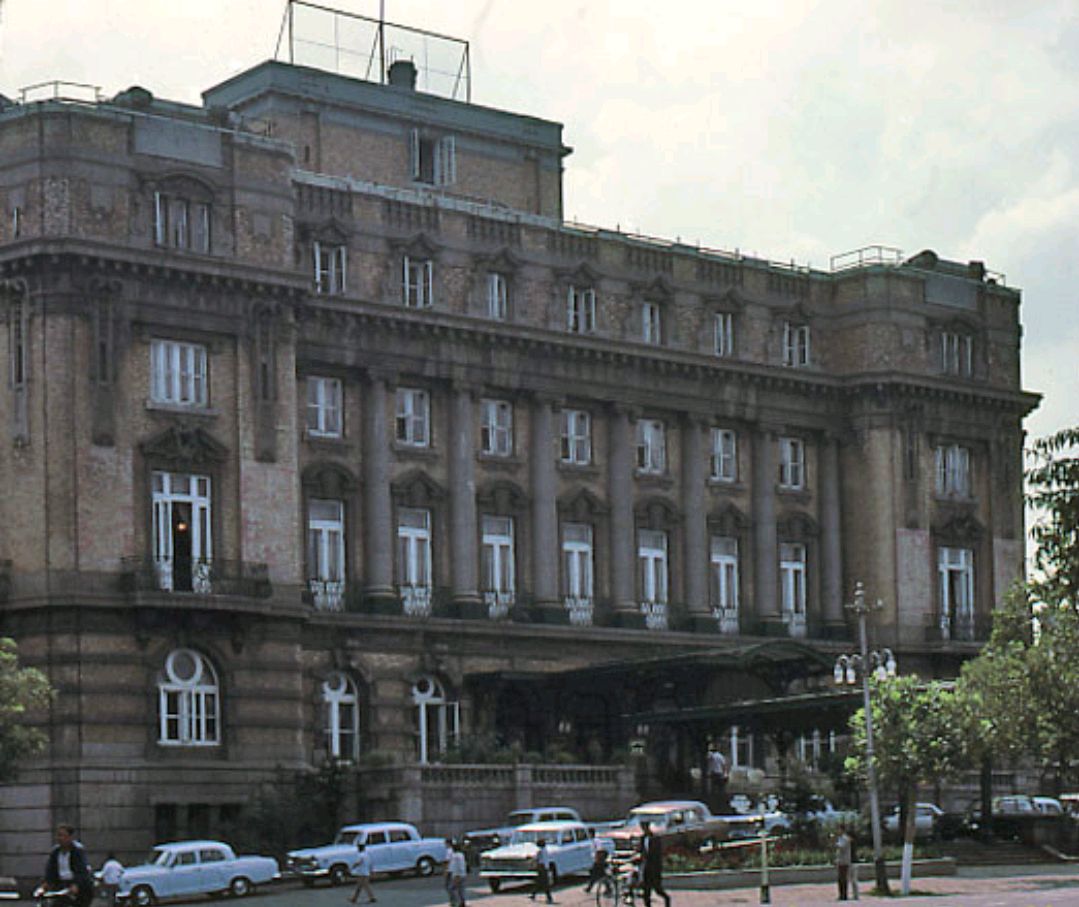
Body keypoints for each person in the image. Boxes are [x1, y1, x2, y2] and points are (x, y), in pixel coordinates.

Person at [34, 824, 94, 907]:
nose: (60, 838)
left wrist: (76, 885)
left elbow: (82, 871)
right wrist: (43, 888)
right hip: (62, 886)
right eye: (58, 835)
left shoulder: (77, 851)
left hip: (79, 888)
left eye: (63, 836)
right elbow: (50, 872)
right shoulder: (55, 852)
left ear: (70, 837)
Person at [638, 822, 670, 907]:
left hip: (655, 868)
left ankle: (667, 901)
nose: (643, 829)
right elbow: (641, 851)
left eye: (645, 827)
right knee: (646, 891)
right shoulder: (642, 838)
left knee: (658, 890)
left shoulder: (655, 838)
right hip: (646, 868)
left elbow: (657, 854)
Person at [707, 741, 729, 813]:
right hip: (719, 773)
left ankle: (715, 799)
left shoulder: (711, 756)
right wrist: (725, 773)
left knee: (714, 787)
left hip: (714, 773)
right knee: (720, 787)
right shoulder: (720, 756)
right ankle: (720, 799)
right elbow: (724, 765)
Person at [529, 838, 553, 904]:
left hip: (541, 867)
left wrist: (532, 862)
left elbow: (536, 858)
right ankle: (533, 894)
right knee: (540, 882)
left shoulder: (539, 851)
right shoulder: (545, 850)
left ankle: (549, 897)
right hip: (545, 867)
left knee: (542, 882)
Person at [445, 838, 468, 907]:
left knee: (451, 888)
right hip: (462, 874)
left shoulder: (455, 856)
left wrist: (456, 875)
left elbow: (456, 866)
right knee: (461, 889)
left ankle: (455, 902)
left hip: (456, 875)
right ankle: (462, 902)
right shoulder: (461, 855)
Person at [835, 826, 853, 901]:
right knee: (840, 879)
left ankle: (844, 895)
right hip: (840, 861)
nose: (838, 831)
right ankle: (841, 894)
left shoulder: (845, 838)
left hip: (844, 861)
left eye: (839, 829)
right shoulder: (840, 838)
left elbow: (842, 847)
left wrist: (834, 843)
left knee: (843, 878)